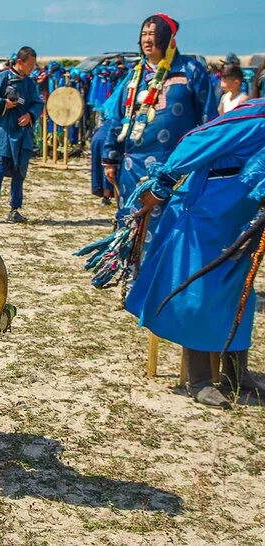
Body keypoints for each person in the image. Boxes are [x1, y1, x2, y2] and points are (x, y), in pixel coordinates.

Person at [125, 98, 265, 408]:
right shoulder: (254, 118)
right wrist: (164, 180)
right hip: (205, 216)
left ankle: (236, 375)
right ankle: (199, 379)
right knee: (199, 294)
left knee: (239, 294)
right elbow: (195, 140)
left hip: (242, 221)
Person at [102, 14, 214, 234]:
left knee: (170, 226)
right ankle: (132, 268)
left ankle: (164, 268)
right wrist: (109, 158)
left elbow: (207, 118)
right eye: (143, 34)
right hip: (132, 167)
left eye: (153, 34)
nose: (147, 39)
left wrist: (204, 161)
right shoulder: (135, 76)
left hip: (175, 168)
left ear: (169, 38)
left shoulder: (191, 71)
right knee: (132, 227)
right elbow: (117, 118)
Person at [0, 46, 45, 225]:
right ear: (20, 62)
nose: (32, 68)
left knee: (19, 173)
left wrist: (30, 115)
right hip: (5, 134)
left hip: (23, 135)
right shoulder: (3, 78)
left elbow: (38, 103)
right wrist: (3, 104)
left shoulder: (30, 84)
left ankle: (15, 209)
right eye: (30, 64)